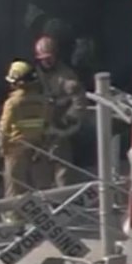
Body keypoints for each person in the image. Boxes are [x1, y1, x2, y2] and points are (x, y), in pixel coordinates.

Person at [0, 60, 48, 219]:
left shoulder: (13, 103)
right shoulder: (42, 100)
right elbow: (46, 123)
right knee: (35, 185)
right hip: (37, 146)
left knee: (14, 187)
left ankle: (13, 219)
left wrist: (2, 148)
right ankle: (37, 217)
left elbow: (3, 129)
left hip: (15, 148)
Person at [34, 35, 87, 187]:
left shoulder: (66, 77)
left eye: (49, 58)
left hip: (58, 129)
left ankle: (64, 201)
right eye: (43, 58)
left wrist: (65, 121)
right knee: (40, 168)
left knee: (62, 167)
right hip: (40, 127)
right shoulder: (36, 74)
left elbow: (79, 102)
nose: (47, 62)